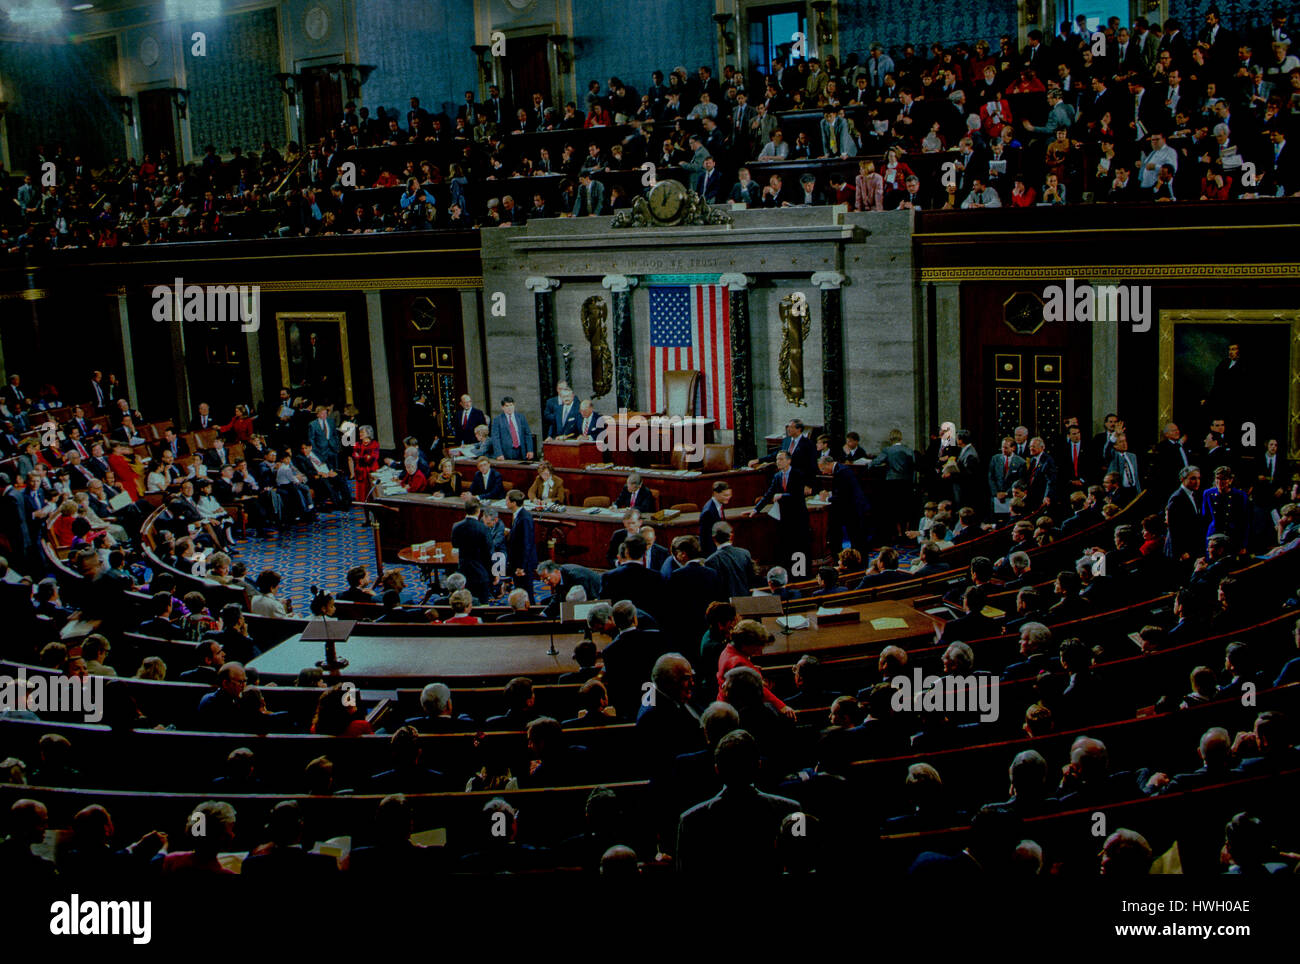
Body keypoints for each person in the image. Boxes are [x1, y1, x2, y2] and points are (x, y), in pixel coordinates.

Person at [748, 450, 809, 573]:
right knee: (787, 547)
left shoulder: (798, 474)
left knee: (800, 547)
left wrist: (782, 496)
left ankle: (802, 574)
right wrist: (756, 509)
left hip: (798, 517)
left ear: (789, 460)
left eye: (781, 459)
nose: (778, 462)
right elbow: (768, 494)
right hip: (785, 518)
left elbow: (799, 495)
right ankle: (789, 573)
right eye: (777, 459)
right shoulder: (777, 476)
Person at [451, 497, 494, 603]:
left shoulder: (456, 526)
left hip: (463, 571)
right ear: (478, 511)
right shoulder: (483, 529)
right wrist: (493, 574)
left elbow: (455, 544)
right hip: (480, 572)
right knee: (482, 604)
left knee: (464, 603)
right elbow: (488, 553)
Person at [490, 397, 534, 461]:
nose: (509, 408)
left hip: (521, 450)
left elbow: (527, 434)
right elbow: (495, 438)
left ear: (514, 405)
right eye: (507, 406)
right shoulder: (497, 420)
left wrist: (530, 450)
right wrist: (499, 454)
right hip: (506, 453)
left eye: (511, 405)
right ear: (502, 407)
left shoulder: (521, 417)